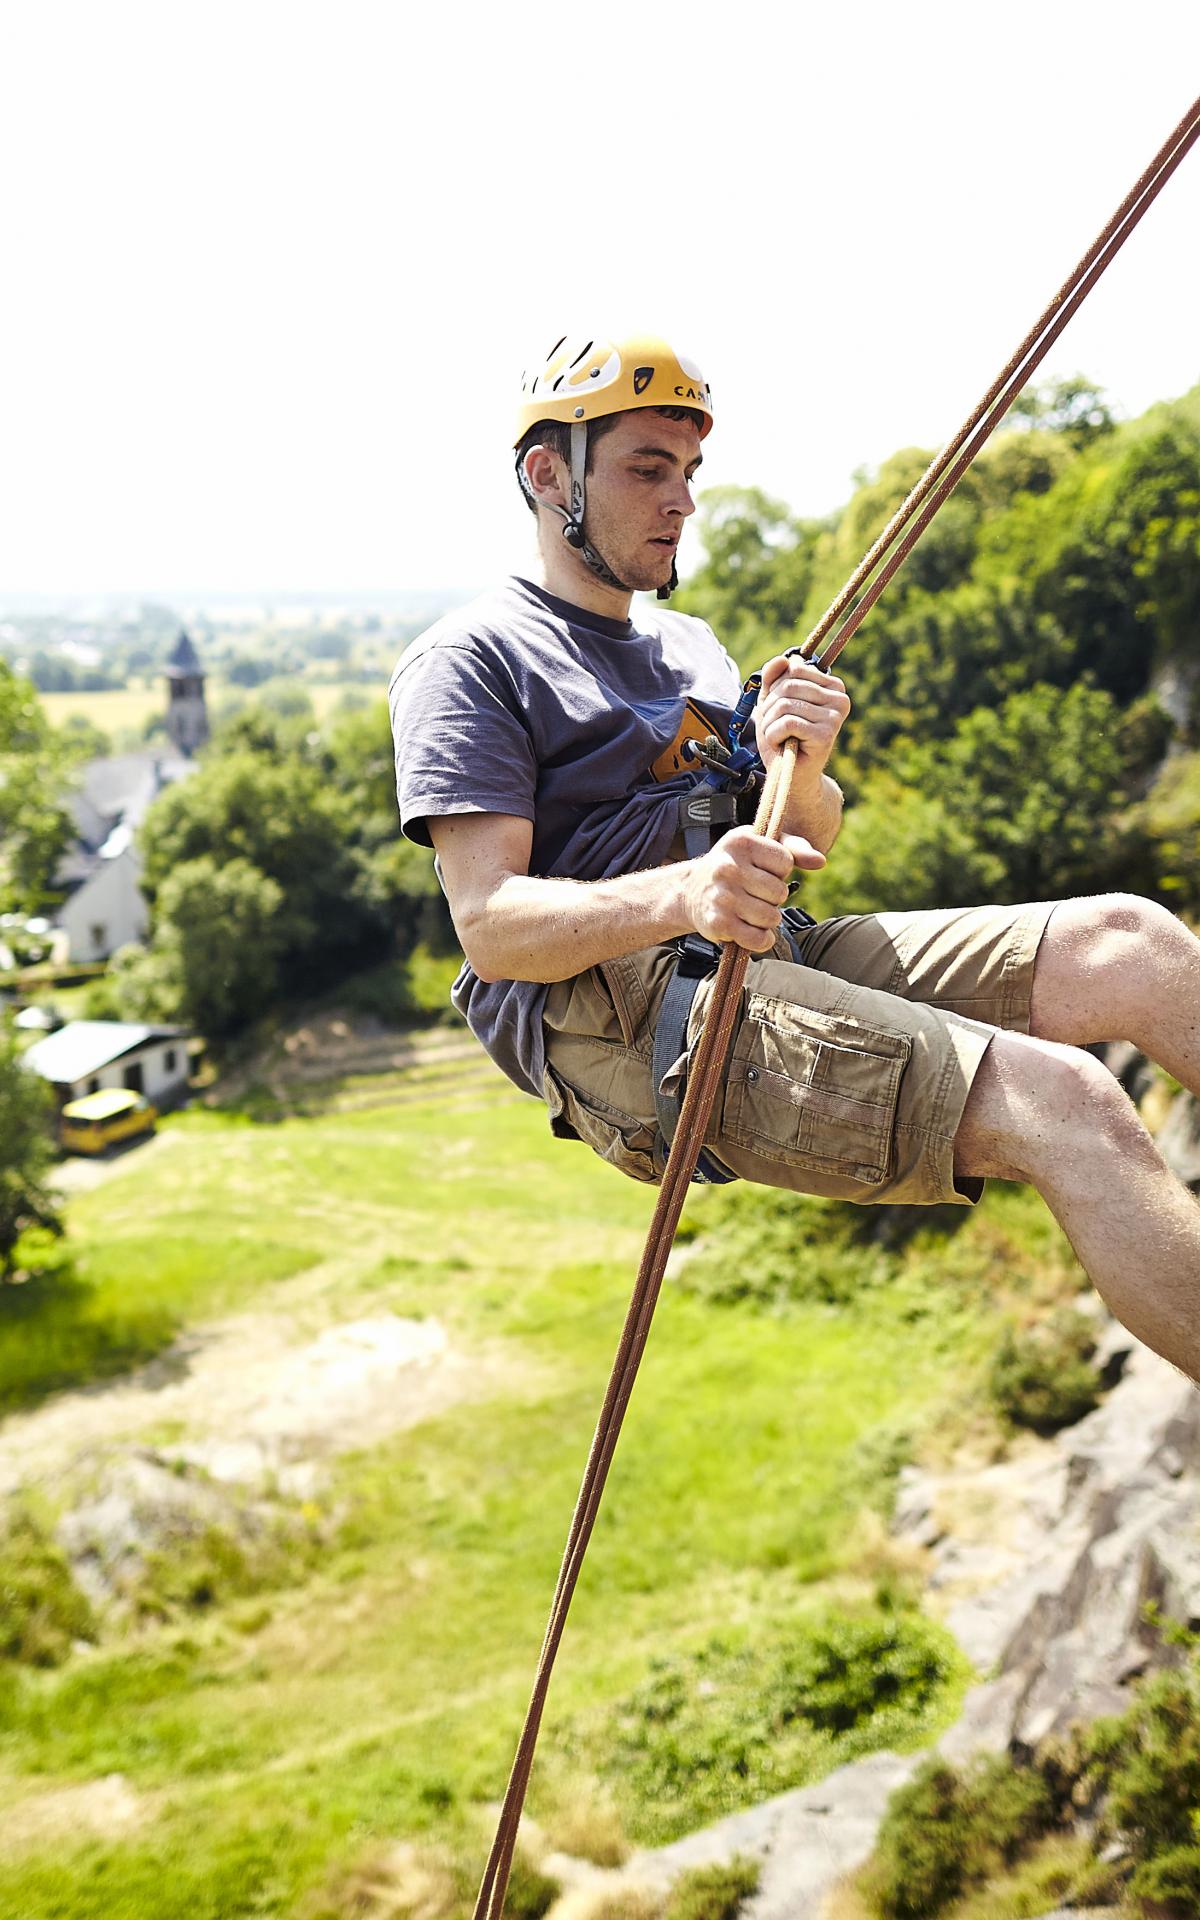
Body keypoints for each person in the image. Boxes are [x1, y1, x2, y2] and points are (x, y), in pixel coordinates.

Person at [389, 332, 1200, 1380]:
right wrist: (689, 889)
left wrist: (803, 761)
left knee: (1133, 942)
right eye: (647, 468)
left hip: (760, 950)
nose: (681, 501)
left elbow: (807, 835)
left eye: (689, 473)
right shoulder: (473, 662)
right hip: (628, 1027)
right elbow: (491, 927)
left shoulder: (691, 647)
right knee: (1068, 1104)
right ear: (550, 476)